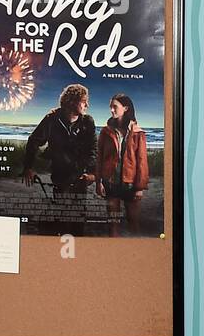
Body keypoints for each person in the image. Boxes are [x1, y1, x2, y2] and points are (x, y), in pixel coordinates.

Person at [22, 83, 97, 235]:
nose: (87, 105)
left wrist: (92, 174)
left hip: (81, 176)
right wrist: (28, 167)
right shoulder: (52, 119)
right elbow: (33, 141)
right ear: (72, 101)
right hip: (60, 175)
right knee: (63, 215)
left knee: (79, 218)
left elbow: (93, 150)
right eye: (83, 101)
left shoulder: (87, 122)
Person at [95, 93, 149, 236]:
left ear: (125, 108)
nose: (111, 110)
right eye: (110, 107)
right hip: (110, 183)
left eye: (115, 107)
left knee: (133, 222)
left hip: (130, 184)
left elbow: (142, 161)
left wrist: (140, 187)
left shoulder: (138, 133)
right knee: (113, 223)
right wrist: (98, 182)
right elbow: (99, 158)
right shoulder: (105, 132)